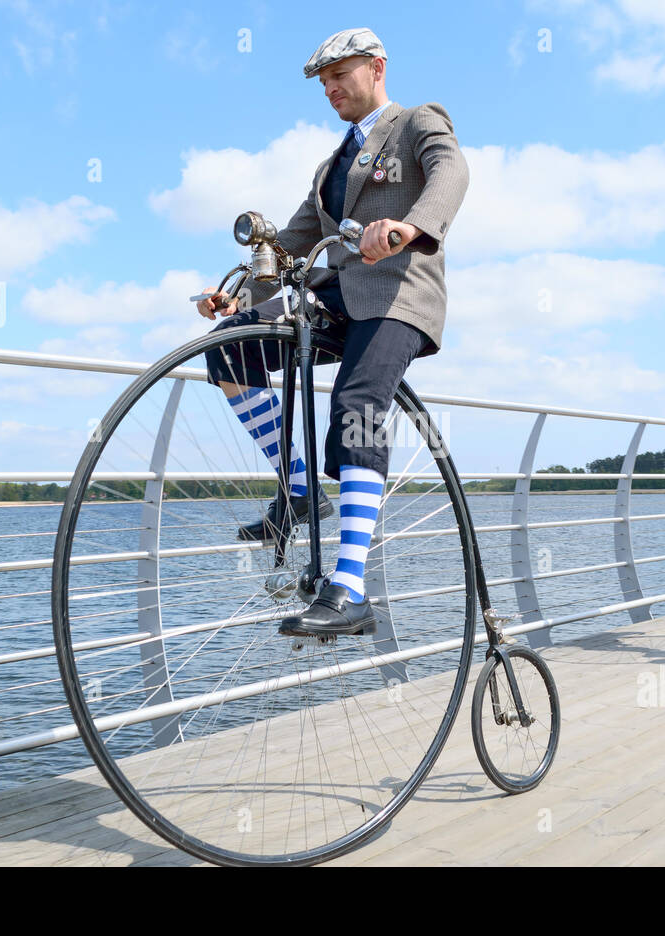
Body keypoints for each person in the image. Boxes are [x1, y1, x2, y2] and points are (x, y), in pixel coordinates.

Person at [195, 27, 469, 637]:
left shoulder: (418, 122)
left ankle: (349, 589)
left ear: (376, 67)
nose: (330, 89)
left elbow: (451, 175)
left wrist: (406, 227)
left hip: (398, 298)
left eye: (339, 75)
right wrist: (233, 294)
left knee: (356, 403)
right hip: (339, 298)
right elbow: (291, 243)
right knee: (231, 351)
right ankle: (297, 491)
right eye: (323, 82)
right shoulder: (329, 167)